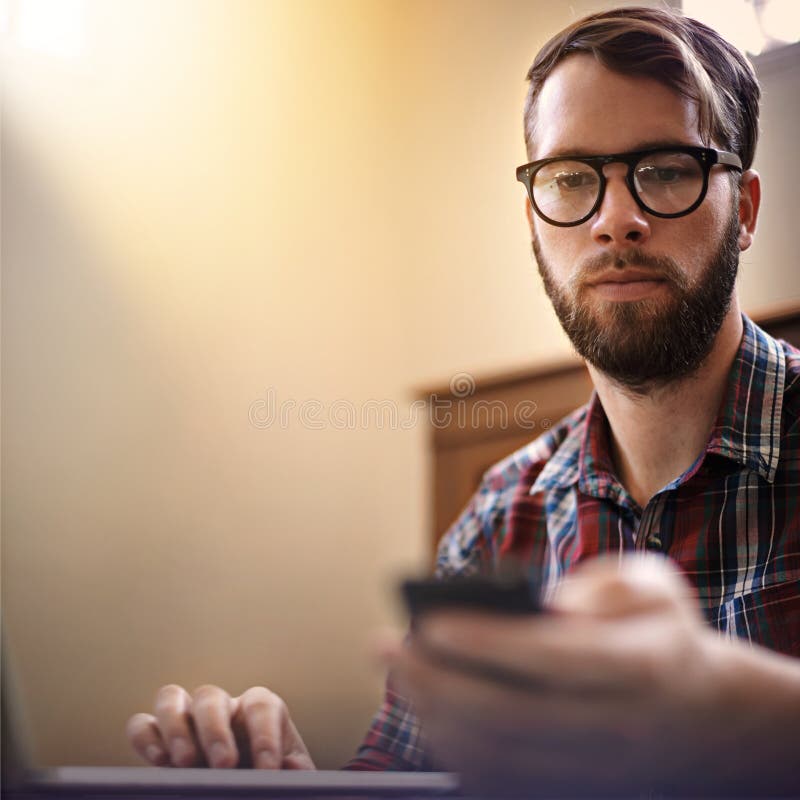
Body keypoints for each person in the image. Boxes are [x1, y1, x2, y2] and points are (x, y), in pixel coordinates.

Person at [126, 6, 800, 794]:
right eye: (572, 179)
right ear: (534, 219)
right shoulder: (496, 519)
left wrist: (742, 715)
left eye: (668, 170)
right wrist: (277, 783)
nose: (617, 218)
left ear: (744, 210)